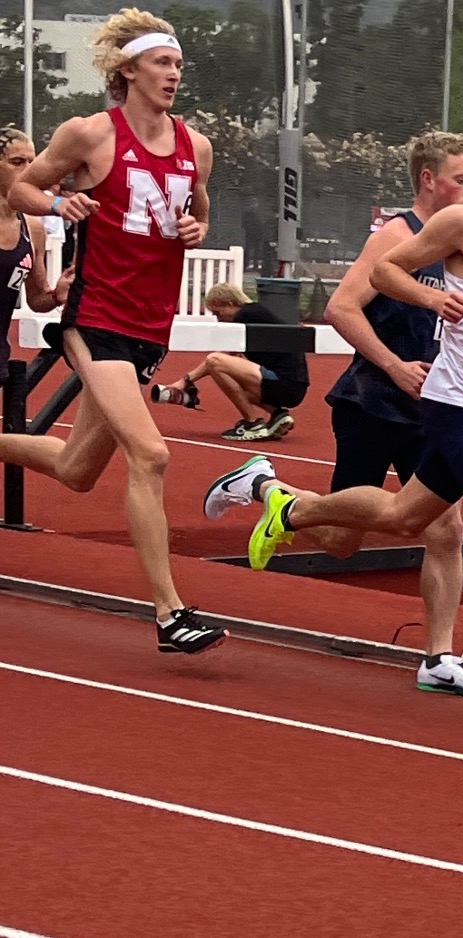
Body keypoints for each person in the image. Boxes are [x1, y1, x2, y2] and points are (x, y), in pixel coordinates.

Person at [205, 94, 463, 714]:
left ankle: (286, 507)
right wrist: (431, 299)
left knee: (402, 518)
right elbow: (385, 274)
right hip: (451, 399)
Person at [205, 132, 463, 696]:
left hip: (431, 406)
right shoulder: (396, 235)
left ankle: (437, 657)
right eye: (461, 178)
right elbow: (341, 308)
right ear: (428, 179)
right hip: (375, 399)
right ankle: (269, 490)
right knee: (341, 541)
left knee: (446, 526)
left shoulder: (462, 242)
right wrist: (395, 366)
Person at [3, 12, 224, 654]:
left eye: (179, 65)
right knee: (151, 455)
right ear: (128, 70)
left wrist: (197, 229)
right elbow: (21, 187)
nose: (174, 74)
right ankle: (169, 613)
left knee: (76, 469)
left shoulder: (195, 144)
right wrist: (57, 204)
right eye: (162, 63)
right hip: (96, 317)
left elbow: (200, 203)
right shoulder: (90, 134)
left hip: (151, 326)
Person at [157, 283, 307, 441]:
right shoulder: (254, 313)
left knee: (215, 361)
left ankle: (253, 423)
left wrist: (185, 380)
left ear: (230, 304)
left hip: (285, 383)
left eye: (218, 313)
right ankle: (278, 414)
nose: (218, 319)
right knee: (229, 379)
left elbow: (215, 361)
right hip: (292, 385)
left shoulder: (244, 315)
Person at [1, 127, 73, 360]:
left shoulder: (32, 228)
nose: (26, 170)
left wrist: (56, 294)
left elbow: (36, 298)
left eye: (31, 163)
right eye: (17, 162)